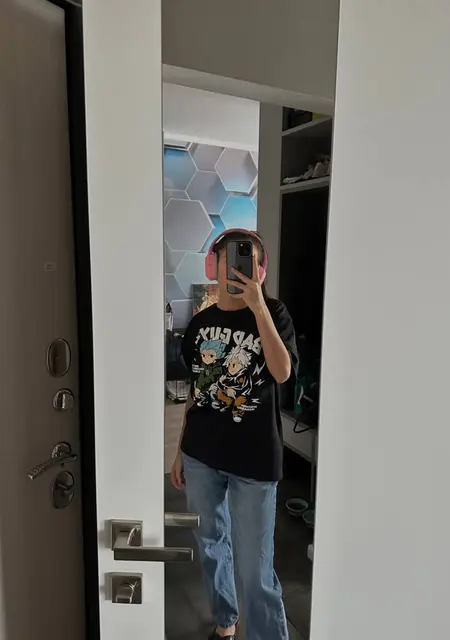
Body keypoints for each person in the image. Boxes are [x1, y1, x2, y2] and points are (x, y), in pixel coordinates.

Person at [171, 229, 298, 640]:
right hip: (201, 453)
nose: (239, 268)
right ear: (215, 265)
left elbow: (282, 372)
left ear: (260, 270)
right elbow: (198, 389)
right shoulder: (200, 324)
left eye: (249, 260)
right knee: (210, 544)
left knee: (255, 566)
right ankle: (225, 622)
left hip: (255, 460)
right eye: (231, 259)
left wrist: (258, 308)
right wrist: (180, 449)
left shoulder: (274, 313)